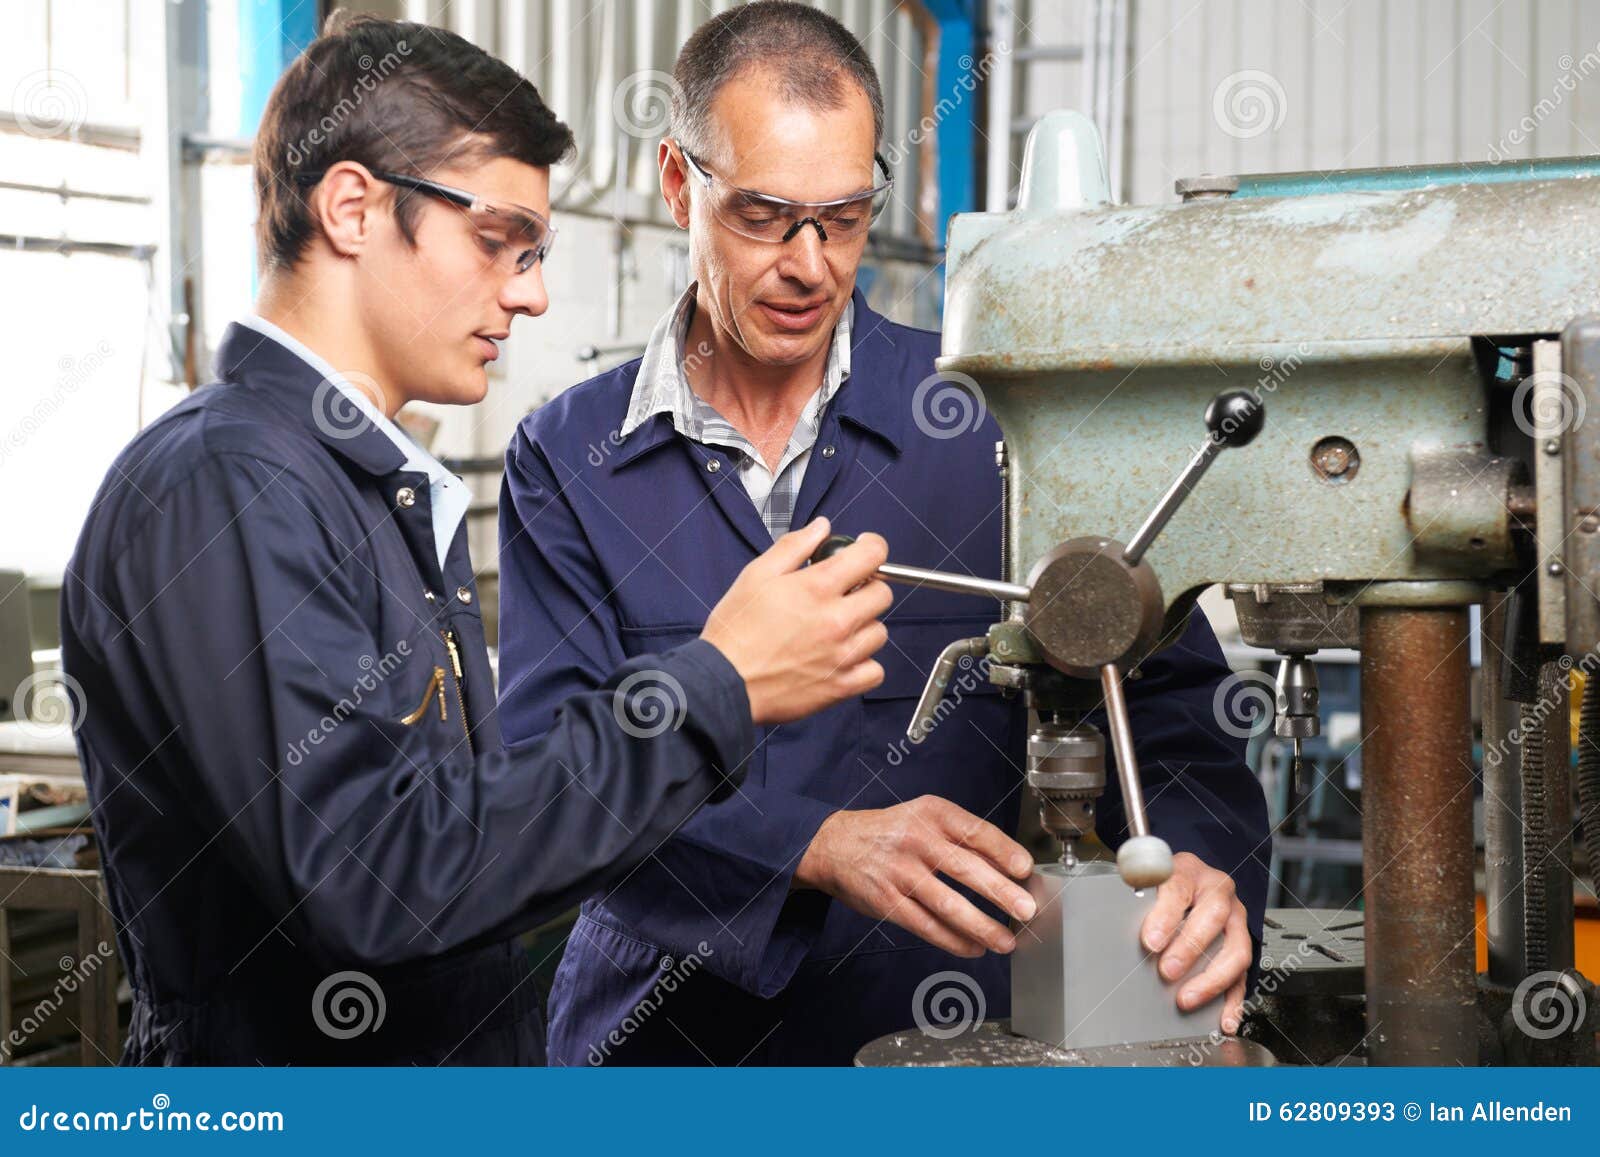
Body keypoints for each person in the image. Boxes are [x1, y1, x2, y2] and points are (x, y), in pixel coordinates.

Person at [60, 13, 891, 1066]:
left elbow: (463, 834)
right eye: (499, 241)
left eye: (536, 253)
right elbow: (378, 876)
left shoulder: (360, 487)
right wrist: (715, 686)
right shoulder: (224, 486)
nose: (531, 292)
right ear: (353, 207)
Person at [498, 2, 1272, 1066]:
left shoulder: (998, 426)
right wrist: (810, 846)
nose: (811, 264)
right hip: (659, 1046)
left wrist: (1199, 870)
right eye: (765, 216)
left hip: (959, 1046)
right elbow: (553, 789)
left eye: (846, 216)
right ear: (680, 183)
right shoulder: (569, 459)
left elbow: (1177, 719)